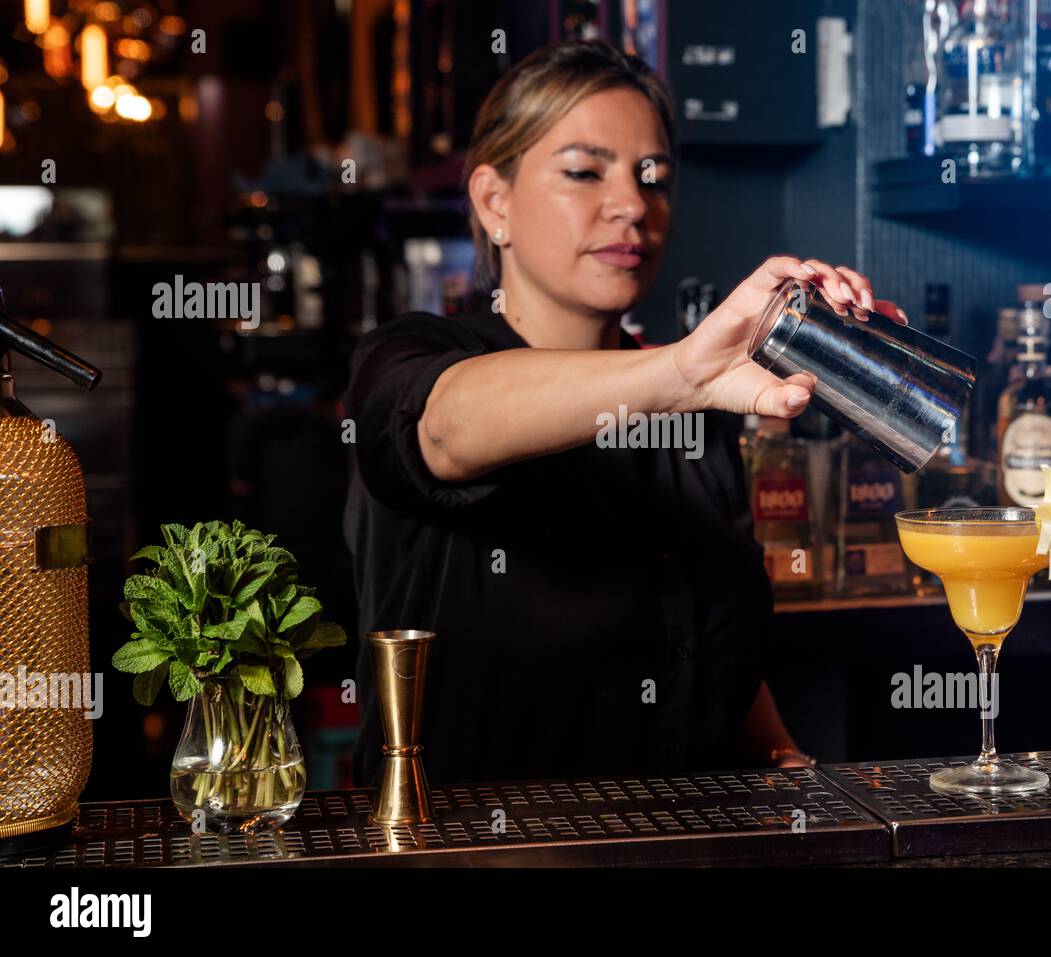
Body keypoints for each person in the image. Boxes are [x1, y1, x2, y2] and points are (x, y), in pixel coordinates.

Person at [343, 39, 907, 788]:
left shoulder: (696, 408)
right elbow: (443, 428)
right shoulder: (413, 356)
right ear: (494, 201)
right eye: (584, 171)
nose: (634, 205)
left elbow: (702, 645)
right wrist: (678, 370)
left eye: (654, 177)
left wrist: (787, 766)